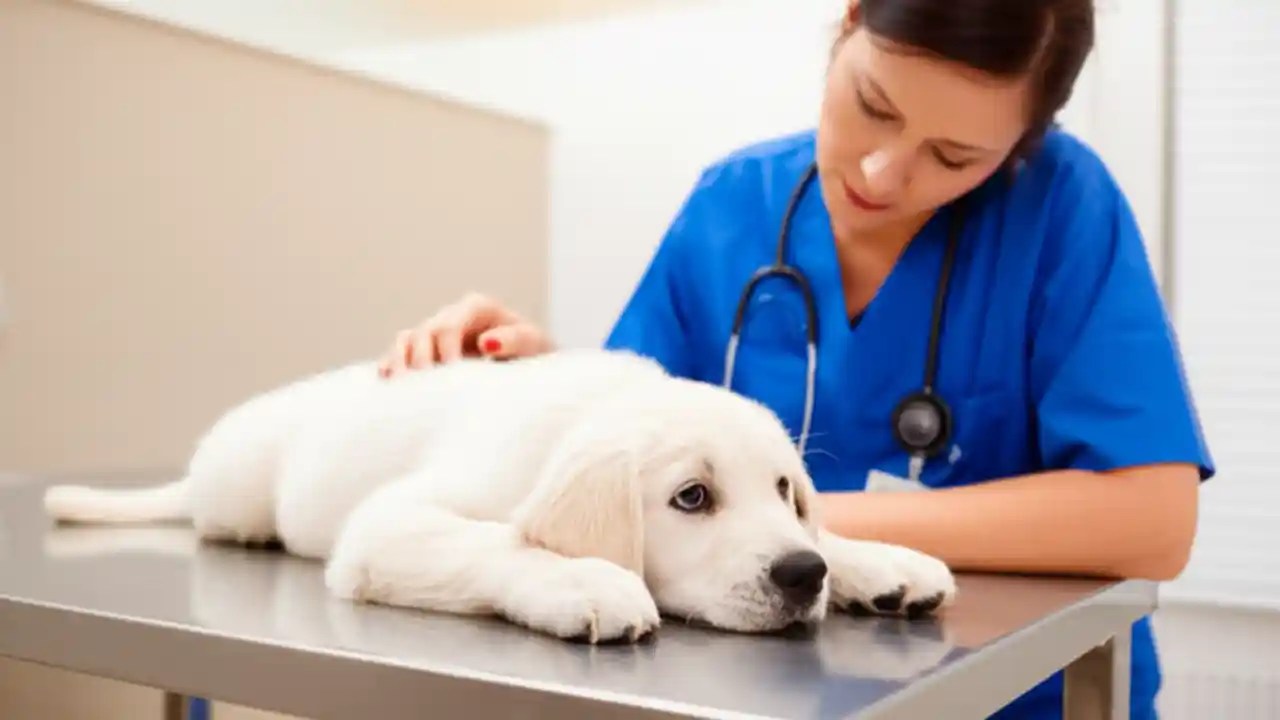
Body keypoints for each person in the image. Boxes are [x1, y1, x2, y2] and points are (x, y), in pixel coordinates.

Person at [375, 0, 1214, 717]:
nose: (885, 172)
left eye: (953, 156)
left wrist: (791, 532)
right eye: (872, 105)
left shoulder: (1064, 209)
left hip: (1019, 701)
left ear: (1026, 139)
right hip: (754, 696)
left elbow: (1151, 521)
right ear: (845, 22)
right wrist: (537, 380)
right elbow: (636, 443)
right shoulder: (730, 204)